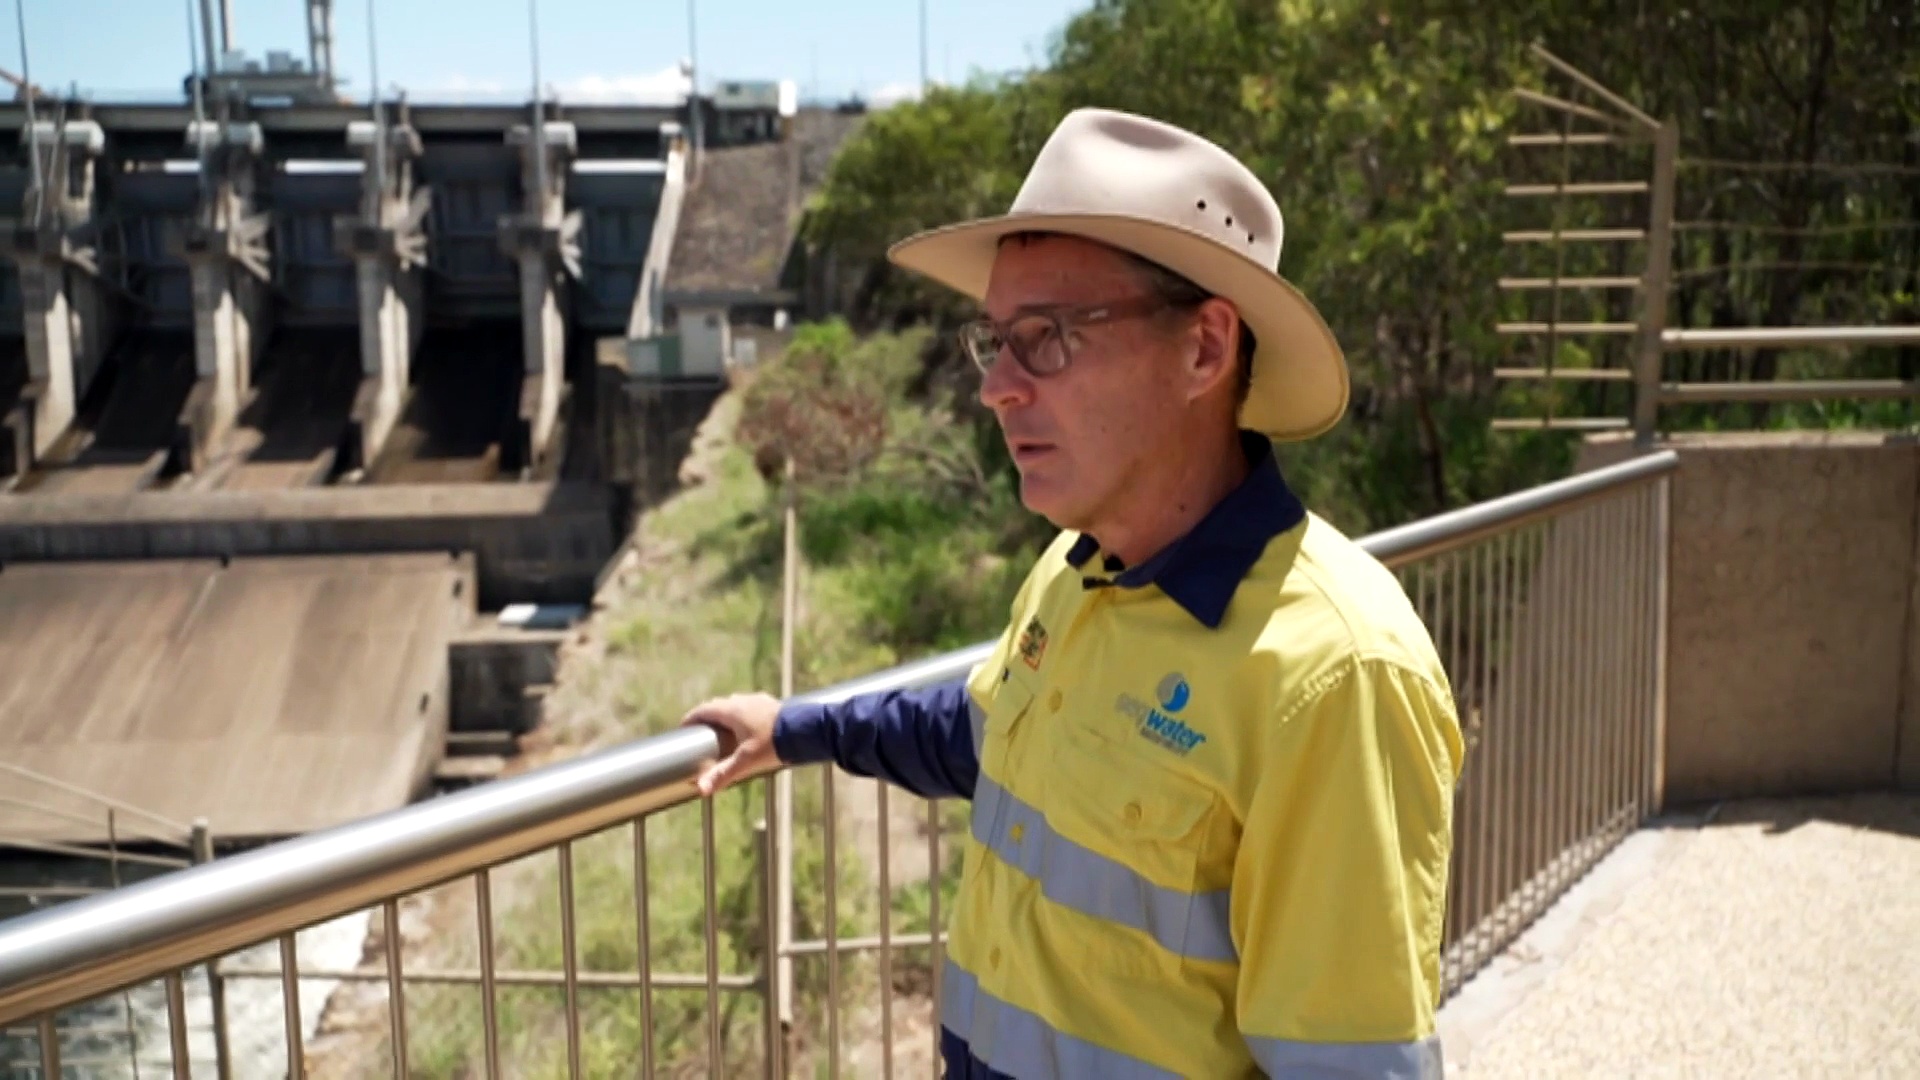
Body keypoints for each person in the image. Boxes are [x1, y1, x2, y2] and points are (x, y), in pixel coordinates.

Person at [682, 107, 1464, 1079]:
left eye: (1047, 337)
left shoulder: (1336, 676)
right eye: (997, 341)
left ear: (1205, 350)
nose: (996, 388)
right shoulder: (1075, 566)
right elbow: (985, 736)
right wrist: (797, 730)